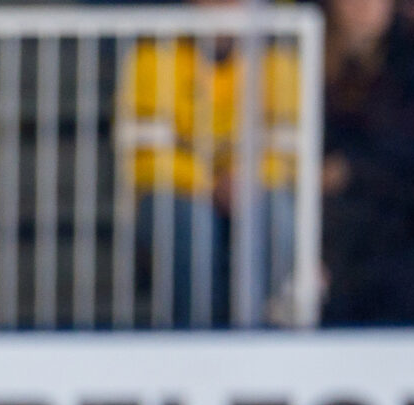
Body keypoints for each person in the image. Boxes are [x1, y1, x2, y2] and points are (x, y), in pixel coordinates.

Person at [117, 0, 305, 325]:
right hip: (176, 192)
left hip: (254, 187)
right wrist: (207, 182)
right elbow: (143, 153)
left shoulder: (278, 60)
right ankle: (197, 340)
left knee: (277, 218)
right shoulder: (154, 56)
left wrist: (248, 176)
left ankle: (254, 334)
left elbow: (289, 149)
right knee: (191, 223)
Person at [322, 0, 414, 322]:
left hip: (395, 218)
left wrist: (352, 171)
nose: (363, 7)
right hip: (323, 218)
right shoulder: (304, 61)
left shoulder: (413, 66)